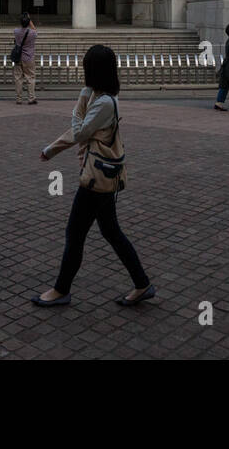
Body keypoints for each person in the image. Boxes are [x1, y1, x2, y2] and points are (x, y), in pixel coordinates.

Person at [32, 45, 154, 307]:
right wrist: (51, 150)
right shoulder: (93, 95)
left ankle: (61, 290)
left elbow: (80, 132)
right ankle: (142, 283)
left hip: (96, 179)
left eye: (86, 66)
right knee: (110, 232)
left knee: (76, 233)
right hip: (97, 175)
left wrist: (78, 109)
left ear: (94, 70)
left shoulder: (105, 103)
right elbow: (78, 129)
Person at [12, 12, 37, 105]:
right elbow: (35, 30)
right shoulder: (32, 33)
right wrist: (30, 21)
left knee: (18, 78)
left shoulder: (16, 31)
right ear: (28, 22)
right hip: (29, 58)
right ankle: (31, 98)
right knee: (30, 78)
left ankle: (19, 98)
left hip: (18, 58)